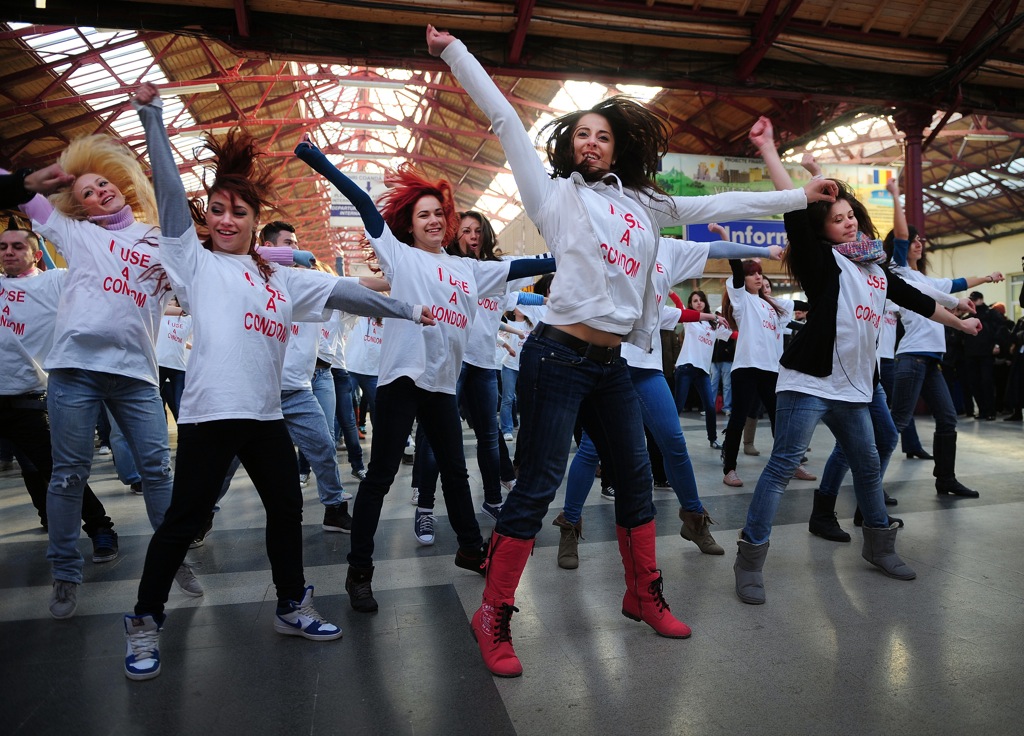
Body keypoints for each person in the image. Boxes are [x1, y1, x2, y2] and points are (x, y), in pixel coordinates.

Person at [429, 25, 840, 677]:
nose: (590, 142)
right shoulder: (554, 195)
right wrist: (454, 51)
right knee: (536, 486)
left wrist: (798, 197)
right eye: (581, 134)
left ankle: (641, 595)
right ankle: (494, 613)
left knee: (636, 484)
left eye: (603, 134)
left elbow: (717, 203)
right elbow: (506, 119)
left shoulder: (643, 205)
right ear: (569, 146)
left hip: (611, 365)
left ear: (616, 148)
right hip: (556, 357)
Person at [124, 83, 433, 681]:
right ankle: (143, 620)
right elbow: (166, 196)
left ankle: (291, 605)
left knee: (287, 510)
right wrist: (152, 118)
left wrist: (407, 310)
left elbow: (344, 293)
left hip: (266, 416)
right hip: (212, 414)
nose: (227, 220)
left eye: (240, 213)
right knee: (183, 521)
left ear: (256, 223)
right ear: (207, 218)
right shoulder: (195, 263)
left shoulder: (278, 279)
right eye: (218, 210)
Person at [295, 140, 553, 614]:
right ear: (410, 226)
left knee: (456, 471)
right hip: (401, 381)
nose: (433, 221)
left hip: (440, 384)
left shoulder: (468, 269)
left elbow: (524, 266)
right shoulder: (399, 256)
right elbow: (361, 202)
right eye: (423, 216)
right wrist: (318, 161)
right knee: (381, 477)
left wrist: (569, 254)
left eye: (438, 213)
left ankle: (471, 550)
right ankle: (359, 571)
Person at [735, 116, 981, 605]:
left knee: (869, 465)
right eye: (836, 217)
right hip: (807, 382)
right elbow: (795, 211)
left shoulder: (874, 268)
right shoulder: (821, 260)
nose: (846, 220)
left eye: (851, 214)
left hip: (855, 388)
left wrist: (962, 322)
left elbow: (917, 299)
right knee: (782, 466)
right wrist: (769, 151)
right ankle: (751, 557)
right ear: (823, 229)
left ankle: (879, 546)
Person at [13, 135, 197, 619]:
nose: (99, 192)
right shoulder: (76, 235)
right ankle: (65, 572)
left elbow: (211, 264)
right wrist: (28, 181)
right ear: (80, 206)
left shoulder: (158, 240)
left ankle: (173, 557)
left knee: (158, 470)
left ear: (120, 184)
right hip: (75, 372)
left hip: (137, 374)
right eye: (87, 193)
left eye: (103, 184)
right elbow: (14, 195)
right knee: (68, 473)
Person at [0, 221, 118, 555]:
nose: (8, 252)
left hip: (29, 398)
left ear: (36, 254)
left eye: (17, 246)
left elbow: (96, 269)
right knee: (32, 468)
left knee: (57, 470)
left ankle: (100, 528)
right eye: (3, 246)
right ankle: (48, 515)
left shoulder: (55, 281)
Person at [886, 186, 1003, 498]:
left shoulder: (926, 280)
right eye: (914, 241)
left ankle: (946, 479)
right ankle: (871, 484)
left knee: (948, 419)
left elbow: (958, 284)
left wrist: (989, 278)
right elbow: (899, 235)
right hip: (911, 358)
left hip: (932, 361)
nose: (919, 244)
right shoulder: (897, 272)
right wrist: (897, 196)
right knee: (897, 422)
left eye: (920, 240)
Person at [674, 289, 734, 450]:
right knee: (677, 406)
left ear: (705, 302)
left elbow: (732, 334)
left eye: (701, 300)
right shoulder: (690, 319)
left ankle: (713, 439)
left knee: (709, 406)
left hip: (703, 371)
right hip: (686, 367)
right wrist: (671, 293)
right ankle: (669, 438)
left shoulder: (713, 324)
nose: (698, 302)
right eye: (694, 301)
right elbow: (679, 307)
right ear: (691, 304)